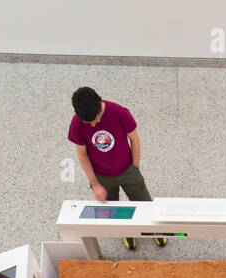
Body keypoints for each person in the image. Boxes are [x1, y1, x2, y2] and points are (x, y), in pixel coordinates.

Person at [67, 86, 164, 251]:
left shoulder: (119, 112)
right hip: (101, 176)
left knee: (144, 202)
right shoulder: (77, 122)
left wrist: (135, 167)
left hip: (127, 170)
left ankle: (153, 229)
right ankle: (126, 231)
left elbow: (134, 139)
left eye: (95, 121)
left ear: (100, 107)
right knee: (115, 211)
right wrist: (95, 184)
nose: (92, 125)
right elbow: (82, 154)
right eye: (87, 122)